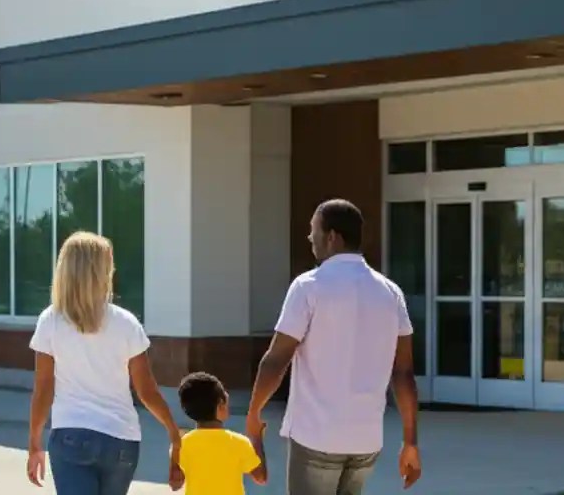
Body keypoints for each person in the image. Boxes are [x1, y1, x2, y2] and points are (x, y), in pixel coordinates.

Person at [247, 199, 422, 494]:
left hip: (317, 436)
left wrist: (253, 420)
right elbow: (404, 374)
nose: (309, 238)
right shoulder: (391, 293)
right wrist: (410, 443)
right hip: (365, 442)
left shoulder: (308, 286)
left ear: (332, 237)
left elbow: (276, 360)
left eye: (313, 231)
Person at [27, 231, 184, 494]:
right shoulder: (126, 323)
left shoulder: (50, 321)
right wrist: (173, 432)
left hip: (70, 437)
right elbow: (147, 391)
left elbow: (43, 388)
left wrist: (34, 442)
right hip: (121, 440)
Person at [175, 372, 267, 494]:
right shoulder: (239, 443)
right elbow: (260, 477)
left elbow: (177, 478)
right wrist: (256, 437)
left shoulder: (181, 444)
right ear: (220, 405)